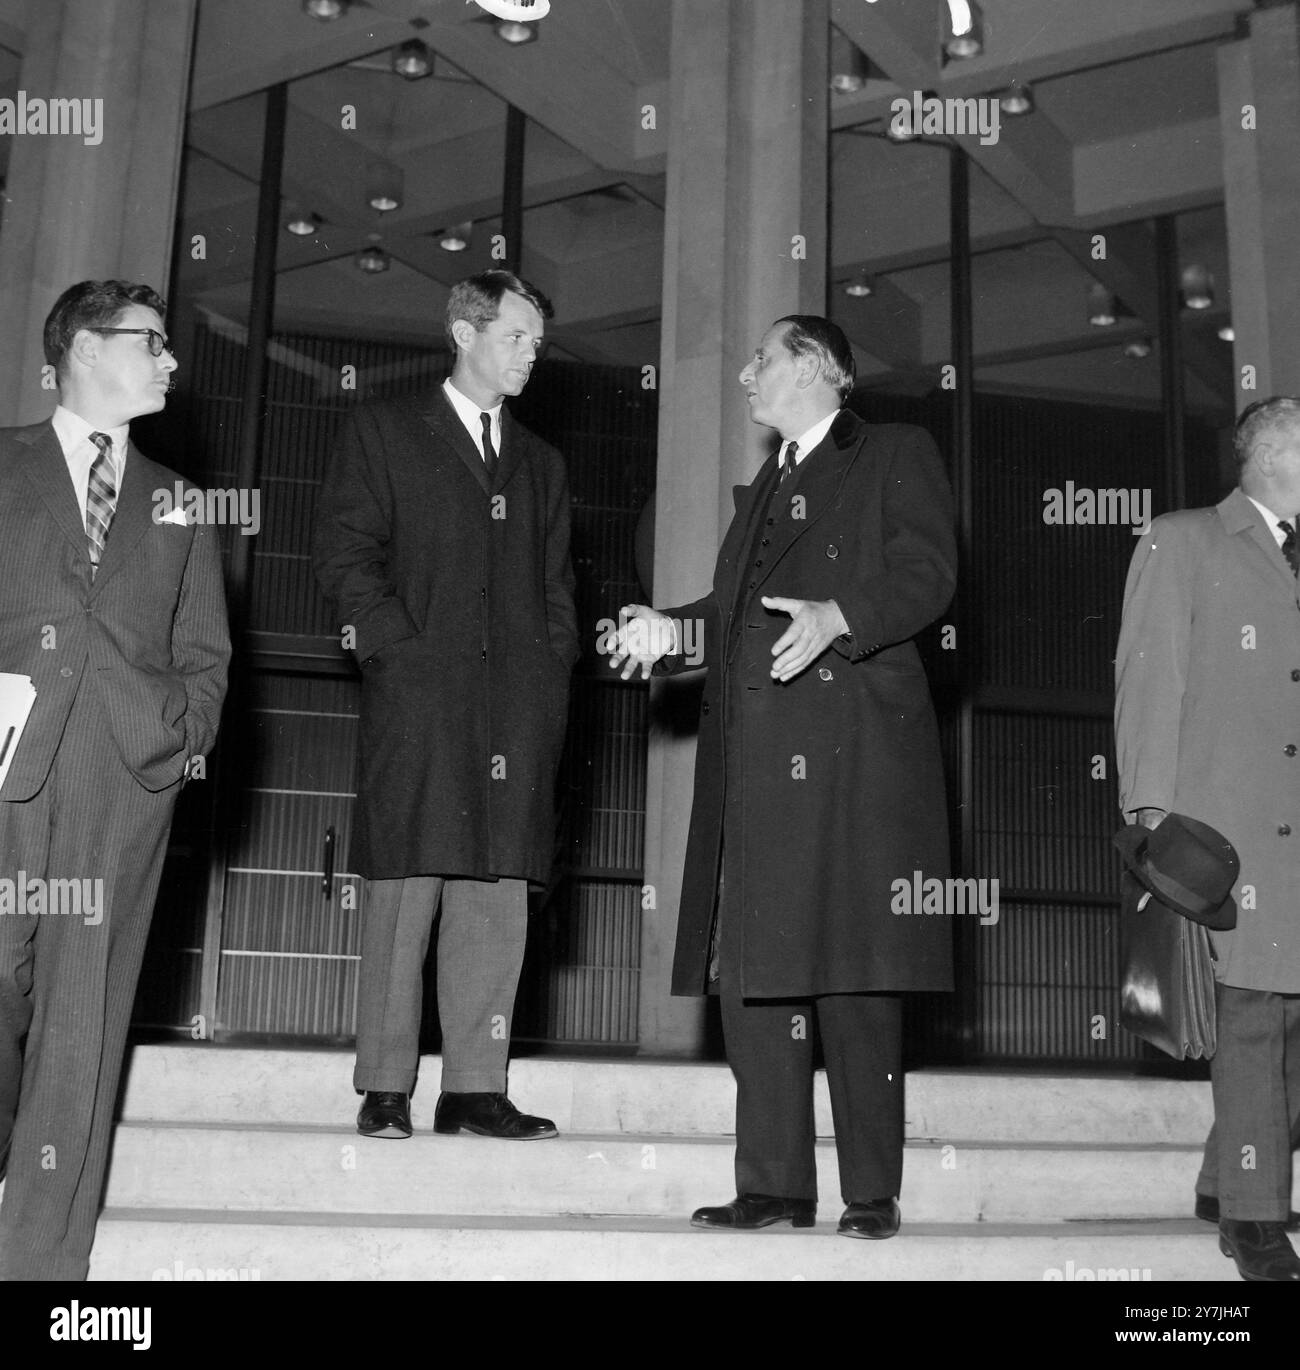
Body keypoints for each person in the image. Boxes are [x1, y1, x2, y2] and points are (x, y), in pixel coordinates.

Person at [611, 314, 955, 1236]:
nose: (745, 374)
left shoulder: (894, 451)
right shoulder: (765, 486)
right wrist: (669, 633)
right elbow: (732, 613)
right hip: (755, 771)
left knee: (853, 976)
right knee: (755, 972)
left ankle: (871, 1194)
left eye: (761, 357)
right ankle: (773, 1187)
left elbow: (929, 574)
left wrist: (842, 612)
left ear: (818, 368)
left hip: (852, 762)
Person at [313, 271, 577, 1143]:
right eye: (515, 337)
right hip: (419, 696)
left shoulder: (543, 463)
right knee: (404, 883)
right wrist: (397, 654)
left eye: (537, 342)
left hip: (516, 706)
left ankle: (473, 1088)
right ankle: (385, 1085)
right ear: (464, 332)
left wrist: (551, 675)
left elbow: (555, 591)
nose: (530, 355)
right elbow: (348, 554)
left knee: (497, 890)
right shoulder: (384, 429)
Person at [0, 280, 230, 1280]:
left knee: (82, 1019)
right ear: (86, 349)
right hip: (8, 758)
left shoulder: (183, 499)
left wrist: (181, 741)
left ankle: (40, 1268)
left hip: (125, 777)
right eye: (153, 343)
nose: (171, 361)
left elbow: (206, 652)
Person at [1116, 394, 1300, 1281]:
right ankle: (1255, 1220)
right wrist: (1149, 816)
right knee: (1255, 1018)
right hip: (1226, 835)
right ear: (1270, 455)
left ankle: (1223, 1173)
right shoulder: (1183, 539)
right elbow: (1148, 676)